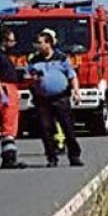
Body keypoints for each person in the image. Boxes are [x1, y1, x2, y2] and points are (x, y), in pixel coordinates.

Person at [28, 30, 82, 167]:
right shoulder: (34, 60)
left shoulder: (61, 58)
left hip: (61, 98)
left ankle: (74, 156)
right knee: (45, 129)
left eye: (40, 43)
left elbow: (72, 76)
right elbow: (27, 76)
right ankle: (51, 157)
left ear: (48, 43)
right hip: (42, 99)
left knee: (67, 127)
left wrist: (76, 91)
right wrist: (33, 79)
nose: (38, 46)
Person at [0, 27, 26, 168]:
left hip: (9, 89)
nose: (14, 43)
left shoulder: (5, 56)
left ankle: (8, 157)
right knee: (8, 125)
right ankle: (9, 158)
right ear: (4, 41)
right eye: (11, 40)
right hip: (5, 90)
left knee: (8, 125)